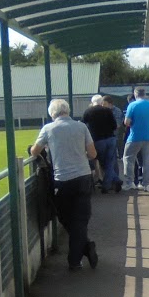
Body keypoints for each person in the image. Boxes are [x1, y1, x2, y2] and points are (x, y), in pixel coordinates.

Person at [29, 98, 99, 270]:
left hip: (62, 180)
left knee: (65, 217)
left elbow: (34, 151)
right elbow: (92, 154)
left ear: (52, 113)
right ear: (67, 110)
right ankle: (84, 248)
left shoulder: (48, 128)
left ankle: (75, 260)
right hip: (83, 177)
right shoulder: (81, 127)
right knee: (80, 220)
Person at [121, 86, 149, 190]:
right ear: (145, 94)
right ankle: (146, 184)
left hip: (134, 137)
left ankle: (130, 183)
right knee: (147, 161)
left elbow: (127, 122)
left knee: (128, 158)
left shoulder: (132, 105)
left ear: (135, 94)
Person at [81, 94, 121, 193]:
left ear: (92, 102)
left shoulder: (88, 112)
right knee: (110, 162)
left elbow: (82, 125)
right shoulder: (108, 111)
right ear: (101, 102)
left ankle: (106, 186)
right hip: (111, 139)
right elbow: (114, 125)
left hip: (98, 140)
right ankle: (115, 180)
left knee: (104, 163)